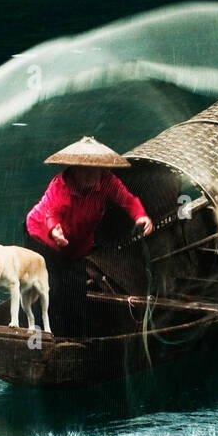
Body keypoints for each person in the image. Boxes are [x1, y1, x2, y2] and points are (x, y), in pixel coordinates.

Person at [25, 136, 152, 337]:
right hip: (42, 238)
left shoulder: (108, 182)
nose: (90, 173)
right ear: (74, 169)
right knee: (49, 287)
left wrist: (141, 216)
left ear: (102, 168)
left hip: (75, 244)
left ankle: (74, 337)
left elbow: (128, 200)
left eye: (95, 168)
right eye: (84, 168)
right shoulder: (61, 185)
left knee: (76, 290)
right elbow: (52, 214)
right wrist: (55, 231)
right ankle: (40, 336)